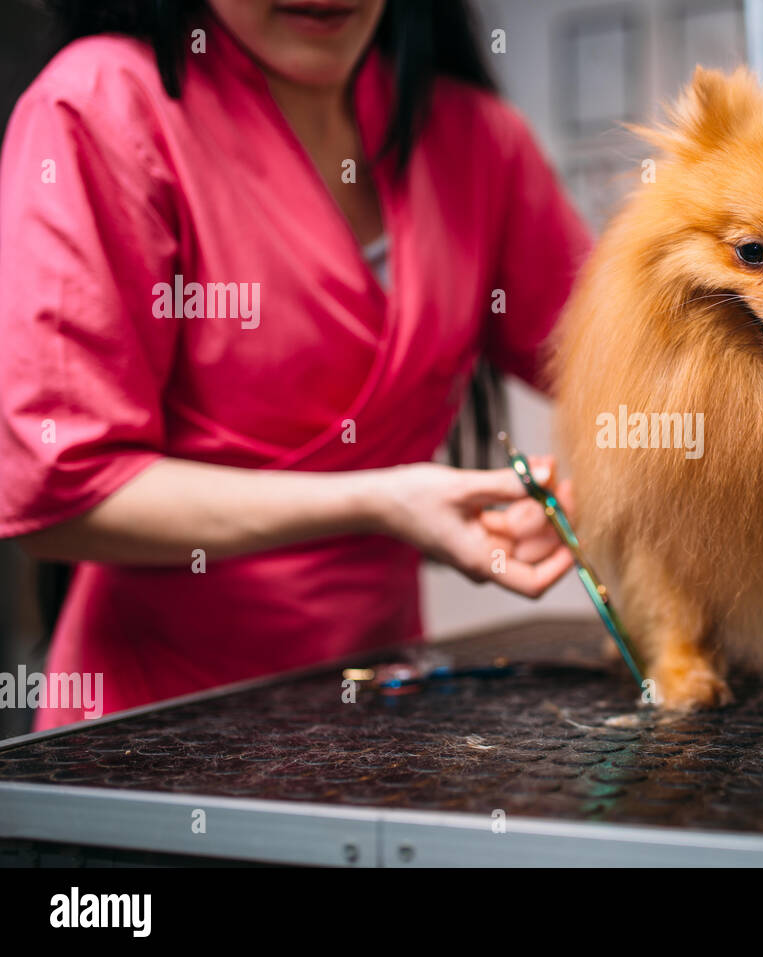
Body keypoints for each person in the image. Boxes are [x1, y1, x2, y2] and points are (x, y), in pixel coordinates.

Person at [0, 0, 590, 730]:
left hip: (383, 718)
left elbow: (626, 367)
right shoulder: (100, 104)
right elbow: (65, 490)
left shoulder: (474, 137)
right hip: (153, 724)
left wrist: (605, 480)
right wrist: (381, 500)